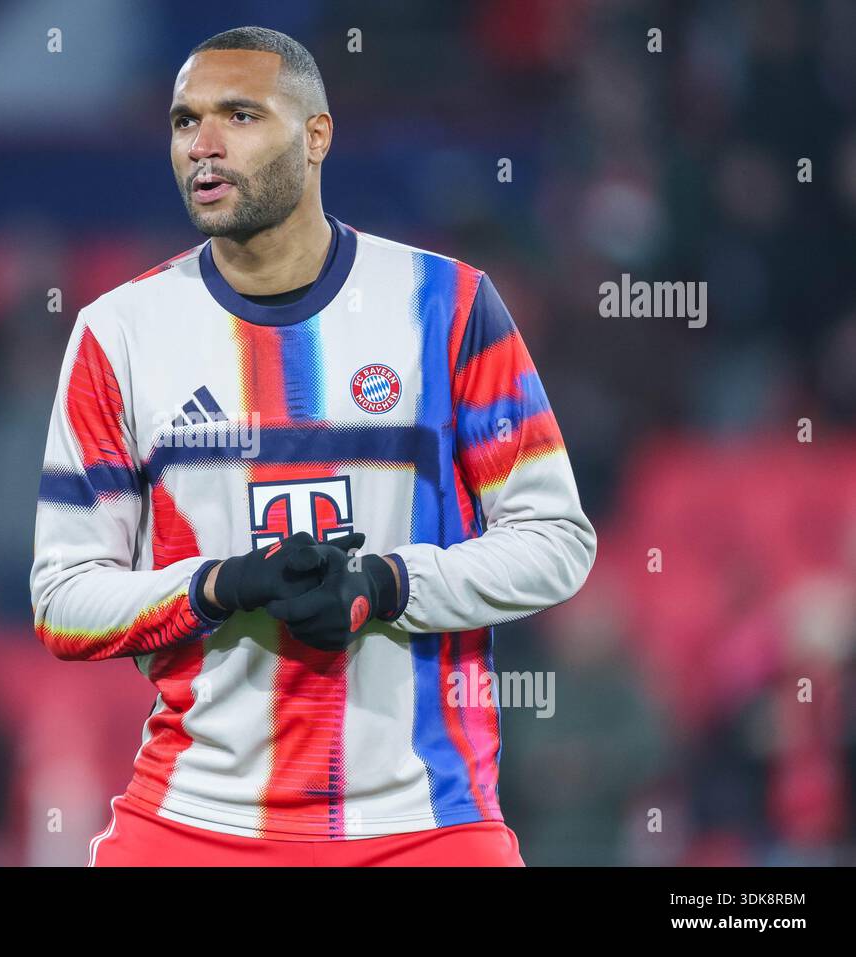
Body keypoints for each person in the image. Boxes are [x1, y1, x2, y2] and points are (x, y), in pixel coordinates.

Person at [29, 26, 596, 866]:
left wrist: (389, 581)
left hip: (426, 822)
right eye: (185, 122)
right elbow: (61, 598)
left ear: (317, 135)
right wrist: (217, 586)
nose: (204, 145)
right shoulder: (118, 335)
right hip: (191, 823)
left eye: (240, 115)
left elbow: (558, 543)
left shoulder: (448, 305)